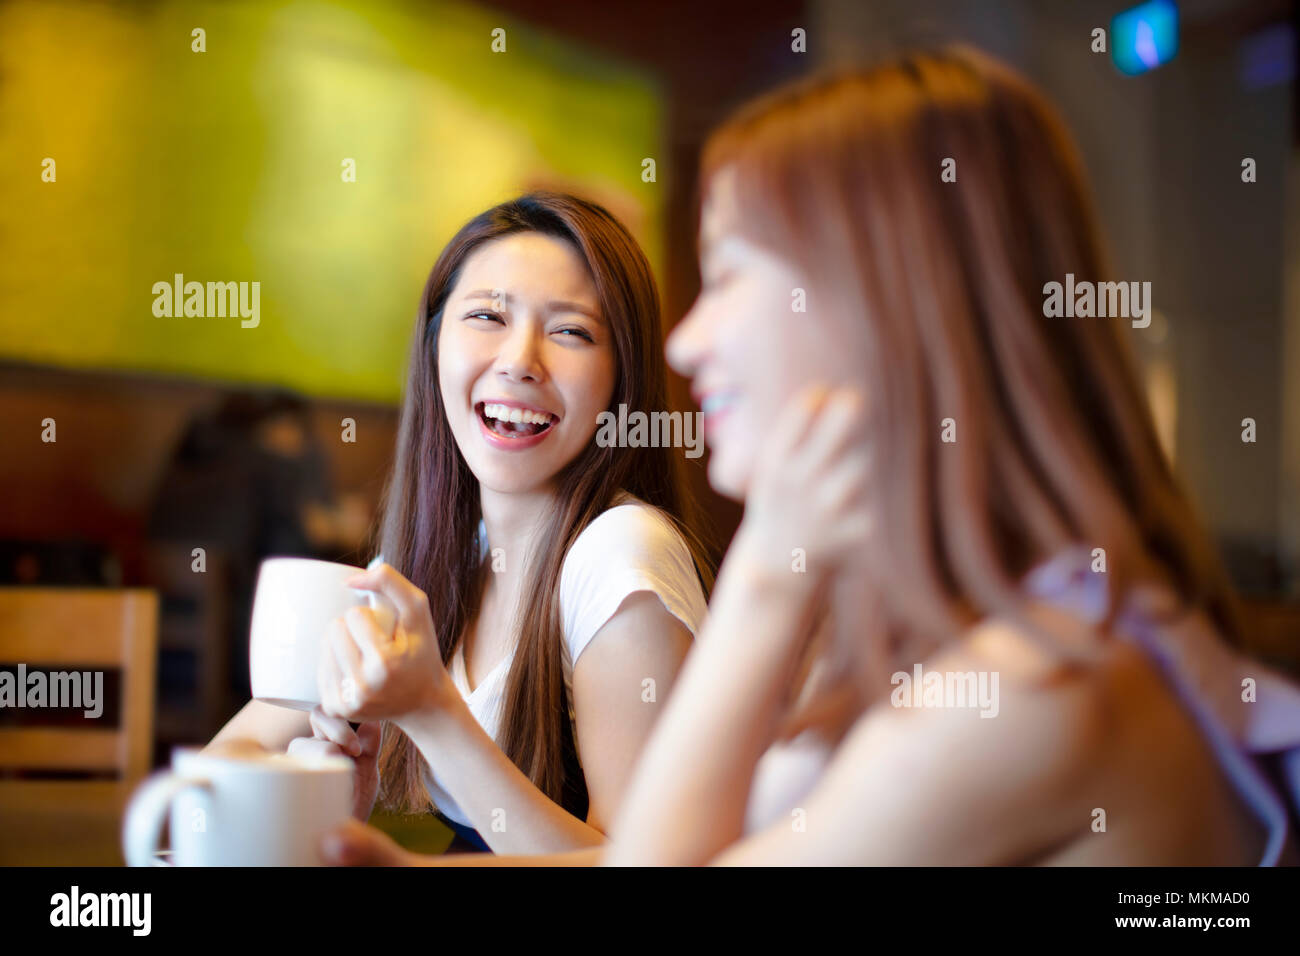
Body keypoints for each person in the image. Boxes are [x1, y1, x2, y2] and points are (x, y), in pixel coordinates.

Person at [322, 46, 1300, 867]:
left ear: (885, 308)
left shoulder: (1035, 687)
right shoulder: (931, 629)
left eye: (734, 273)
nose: (683, 342)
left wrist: (765, 575)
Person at [208, 192, 711, 855]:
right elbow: (229, 761)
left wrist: (431, 712)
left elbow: (640, 862)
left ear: (622, 379)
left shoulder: (621, 556)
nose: (519, 360)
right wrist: (319, 790)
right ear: (435, 344)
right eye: (486, 316)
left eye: (571, 331)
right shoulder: (452, 549)